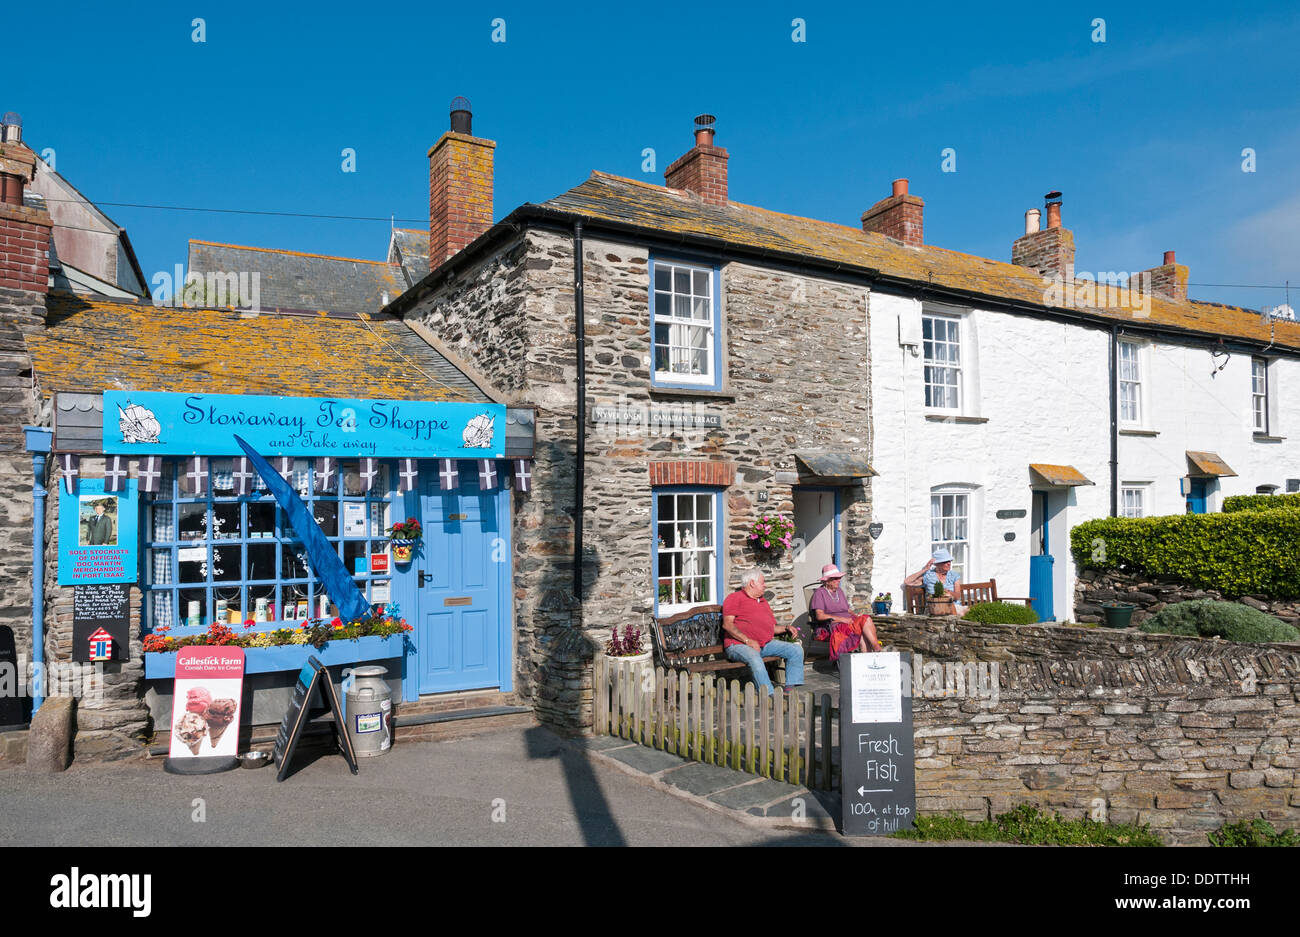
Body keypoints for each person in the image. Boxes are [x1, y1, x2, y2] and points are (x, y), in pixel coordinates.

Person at [721, 570, 804, 694]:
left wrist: (786, 628)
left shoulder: (762, 601)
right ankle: (769, 695)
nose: (765, 585)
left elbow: (772, 628)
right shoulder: (735, 598)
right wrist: (748, 641)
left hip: (763, 644)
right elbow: (727, 625)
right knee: (755, 657)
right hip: (738, 645)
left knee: (795, 650)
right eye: (762, 582)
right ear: (752, 583)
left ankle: (789, 690)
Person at [809, 563, 882, 662]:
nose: (838, 580)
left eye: (839, 578)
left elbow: (847, 610)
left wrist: (855, 616)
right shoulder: (819, 593)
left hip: (848, 622)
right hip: (833, 625)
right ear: (827, 581)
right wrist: (842, 619)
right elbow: (820, 616)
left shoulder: (839, 591)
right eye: (835, 578)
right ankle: (877, 650)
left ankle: (867, 659)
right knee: (864, 621)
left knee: (864, 620)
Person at [906, 549, 966, 616]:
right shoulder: (928, 576)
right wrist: (925, 569)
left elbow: (957, 596)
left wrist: (949, 593)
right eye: (945, 562)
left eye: (949, 561)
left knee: (967, 611)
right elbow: (908, 581)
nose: (949, 563)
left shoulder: (954, 575)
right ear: (937, 564)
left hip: (954, 606)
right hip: (934, 607)